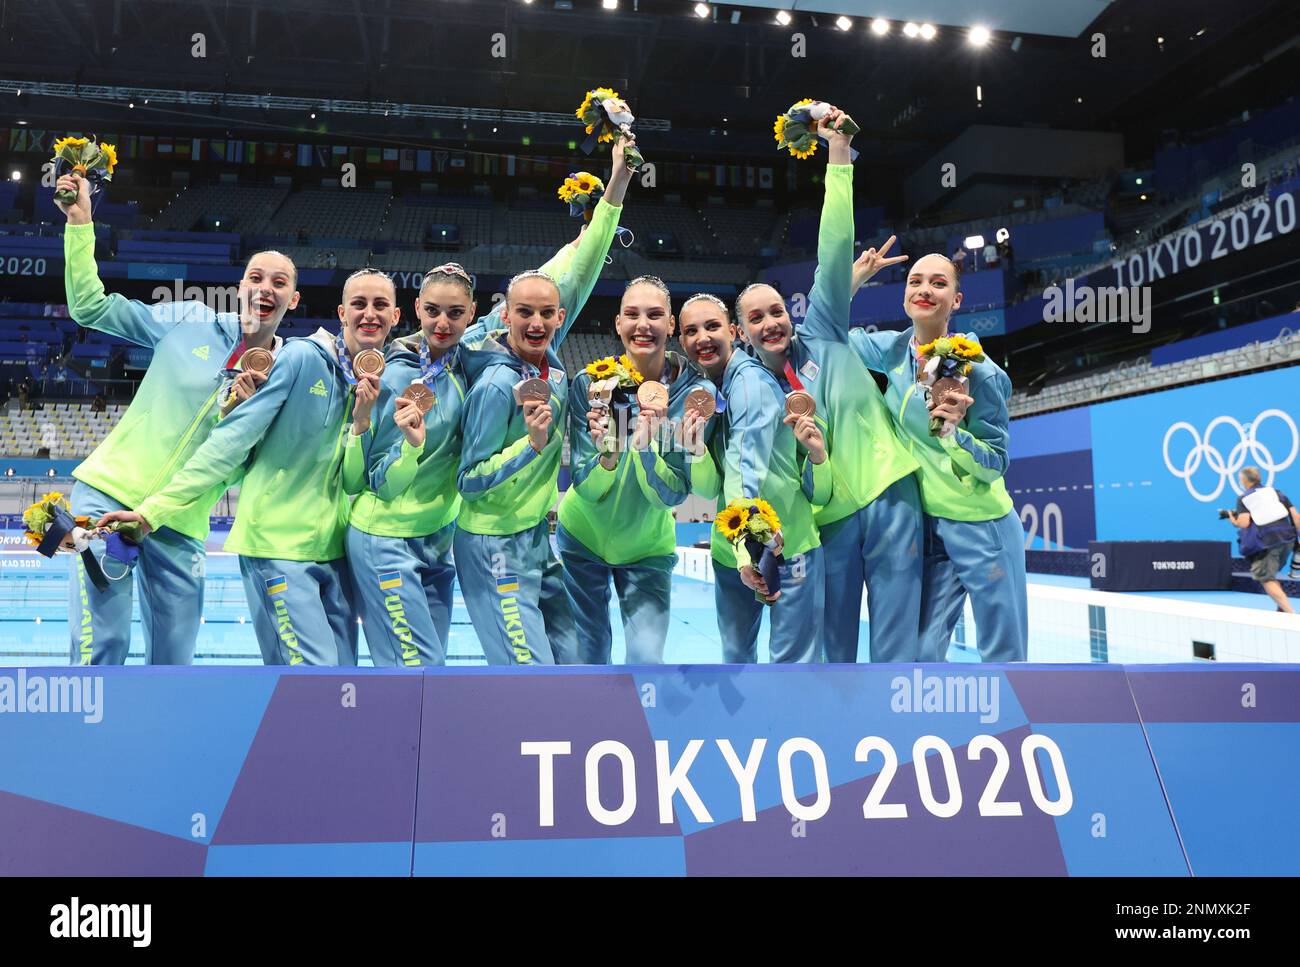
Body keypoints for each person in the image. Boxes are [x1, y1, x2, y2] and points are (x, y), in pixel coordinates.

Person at [344, 151, 630, 667]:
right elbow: (378, 478)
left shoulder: (475, 353)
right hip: (391, 533)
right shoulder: (397, 368)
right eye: (432, 312)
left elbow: (565, 275)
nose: (442, 324)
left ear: (475, 315)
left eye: (455, 313)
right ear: (417, 310)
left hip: (441, 540)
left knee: (436, 671)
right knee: (418, 674)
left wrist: (609, 196)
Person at [54, 169, 299, 665]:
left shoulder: (289, 371)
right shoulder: (188, 319)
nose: (265, 287)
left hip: (181, 522)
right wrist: (81, 224)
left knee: (175, 661)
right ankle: (91, 742)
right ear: (240, 287)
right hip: (110, 494)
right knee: (103, 645)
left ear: (293, 299)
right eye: (256, 277)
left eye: (280, 282)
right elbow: (89, 308)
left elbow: (244, 463)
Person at [100, 269, 402, 665]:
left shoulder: (382, 382)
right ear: (341, 313)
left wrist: (361, 422)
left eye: (380, 305)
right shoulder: (300, 357)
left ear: (396, 317)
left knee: (341, 683)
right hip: (275, 546)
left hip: (333, 553)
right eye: (359, 304)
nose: (370, 314)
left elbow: (351, 481)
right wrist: (151, 512)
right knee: (312, 683)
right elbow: (230, 441)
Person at [733, 106, 923, 663]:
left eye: (776, 311)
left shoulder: (822, 331)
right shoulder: (752, 393)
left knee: (895, 637)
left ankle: (902, 740)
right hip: (828, 519)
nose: (771, 323)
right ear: (744, 334)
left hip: (890, 492)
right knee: (833, 647)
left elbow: (834, 248)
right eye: (756, 319)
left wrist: (838, 154)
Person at [849, 251, 1028, 662]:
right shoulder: (891, 352)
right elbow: (821, 335)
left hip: (984, 528)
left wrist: (952, 435)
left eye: (938, 283)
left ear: (957, 301)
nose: (924, 290)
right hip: (928, 528)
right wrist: (855, 280)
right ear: (904, 294)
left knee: (1005, 655)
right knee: (922, 652)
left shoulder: (981, 373)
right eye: (915, 281)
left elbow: (996, 461)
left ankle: (1012, 729)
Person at [557, 276, 714, 664]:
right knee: (584, 662)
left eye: (655, 315)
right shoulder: (591, 383)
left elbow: (674, 493)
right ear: (618, 324)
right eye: (632, 314)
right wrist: (608, 454)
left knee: (646, 662)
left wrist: (643, 447)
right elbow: (585, 483)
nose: (643, 324)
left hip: (647, 550)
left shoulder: (695, 395)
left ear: (671, 325)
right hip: (582, 540)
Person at [676, 291, 830, 663]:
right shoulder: (710, 391)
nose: (703, 338)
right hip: (733, 553)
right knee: (737, 664)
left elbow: (746, 471)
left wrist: (748, 547)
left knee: (791, 672)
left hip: (783, 548)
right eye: (691, 331)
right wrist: (694, 448)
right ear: (681, 341)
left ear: (733, 332)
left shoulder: (749, 385)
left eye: (712, 326)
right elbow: (712, 487)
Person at [1225, 466, 1300, 613]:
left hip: (1269, 542)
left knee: (1265, 578)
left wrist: (1234, 521)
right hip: (1288, 539)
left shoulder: (1244, 498)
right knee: (1270, 575)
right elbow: (1296, 517)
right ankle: (1282, 609)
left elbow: (1244, 523)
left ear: (1244, 481)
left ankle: (1291, 614)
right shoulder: (1277, 493)